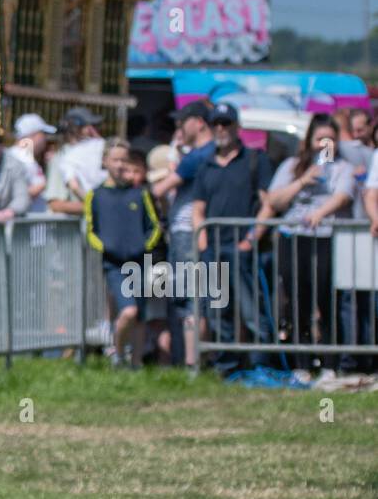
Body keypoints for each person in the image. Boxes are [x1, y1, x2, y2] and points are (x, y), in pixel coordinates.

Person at [258, 114, 355, 373]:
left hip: (326, 240)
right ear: (309, 140)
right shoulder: (292, 166)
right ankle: (301, 365)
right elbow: (274, 200)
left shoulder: (342, 167)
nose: (325, 144)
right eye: (320, 138)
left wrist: (319, 213)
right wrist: (302, 180)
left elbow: (344, 196)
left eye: (331, 139)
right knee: (297, 301)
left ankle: (329, 365)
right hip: (294, 239)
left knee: (326, 301)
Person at [190, 102, 277, 373]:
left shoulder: (254, 160)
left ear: (237, 127)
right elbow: (198, 208)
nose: (220, 128)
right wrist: (203, 244)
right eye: (216, 123)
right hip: (213, 249)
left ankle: (262, 365)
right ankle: (226, 367)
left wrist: (250, 240)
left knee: (252, 311)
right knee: (218, 313)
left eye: (225, 123)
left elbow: (268, 205)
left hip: (243, 249)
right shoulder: (205, 166)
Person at [86, 138, 162, 369]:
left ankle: (136, 363)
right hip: (114, 263)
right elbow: (91, 229)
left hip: (138, 261)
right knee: (128, 311)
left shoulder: (139, 194)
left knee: (139, 316)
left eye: (124, 160)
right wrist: (107, 248)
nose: (120, 165)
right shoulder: (96, 195)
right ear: (105, 162)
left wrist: (143, 246)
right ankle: (118, 354)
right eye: (115, 159)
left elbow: (154, 226)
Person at [150, 101, 215, 371]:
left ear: (198, 122)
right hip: (190, 233)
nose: (178, 127)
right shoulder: (205, 153)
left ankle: (191, 365)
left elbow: (159, 190)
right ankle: (193, 362)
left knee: (191, 298)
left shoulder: (198, 156)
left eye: (182, 122)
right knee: (194, 297)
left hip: (188, 234)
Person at [9, 113, 56, 212]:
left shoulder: (21, 156)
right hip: (25, 222)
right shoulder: (20, 159)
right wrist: (48, 184)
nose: (45, 139)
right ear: (33, 135)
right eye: (43, 134)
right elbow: (13, 193)